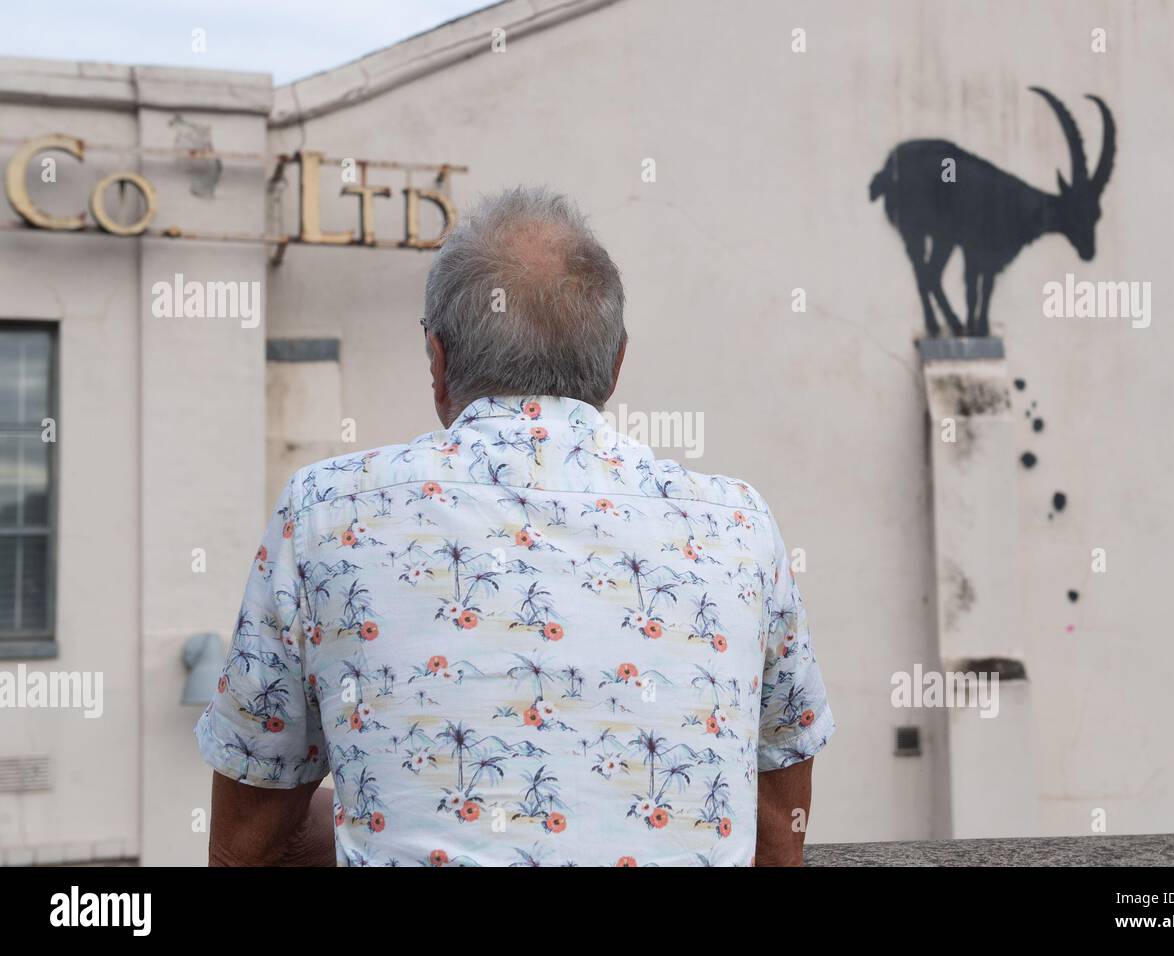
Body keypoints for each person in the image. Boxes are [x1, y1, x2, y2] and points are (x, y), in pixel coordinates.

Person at [196, 186, 834, 867]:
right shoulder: (738, 524)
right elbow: (776, 819)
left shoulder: (323, 510)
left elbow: (249, 843)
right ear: (616, 366)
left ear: (438, 361)